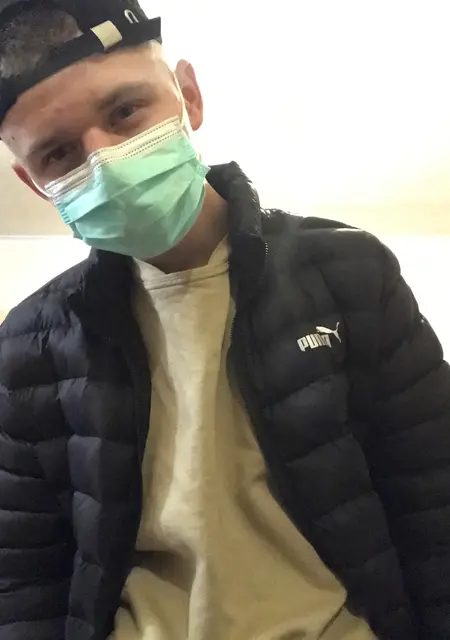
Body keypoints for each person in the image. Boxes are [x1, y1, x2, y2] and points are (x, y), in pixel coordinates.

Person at [0, 1, 449, 639]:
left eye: (124, 112)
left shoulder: (350, 275)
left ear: (188, 95)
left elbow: (433, 501)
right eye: (58, 153)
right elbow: (22, 579)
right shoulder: (25, 349)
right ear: (33, 182)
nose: (105, 163)